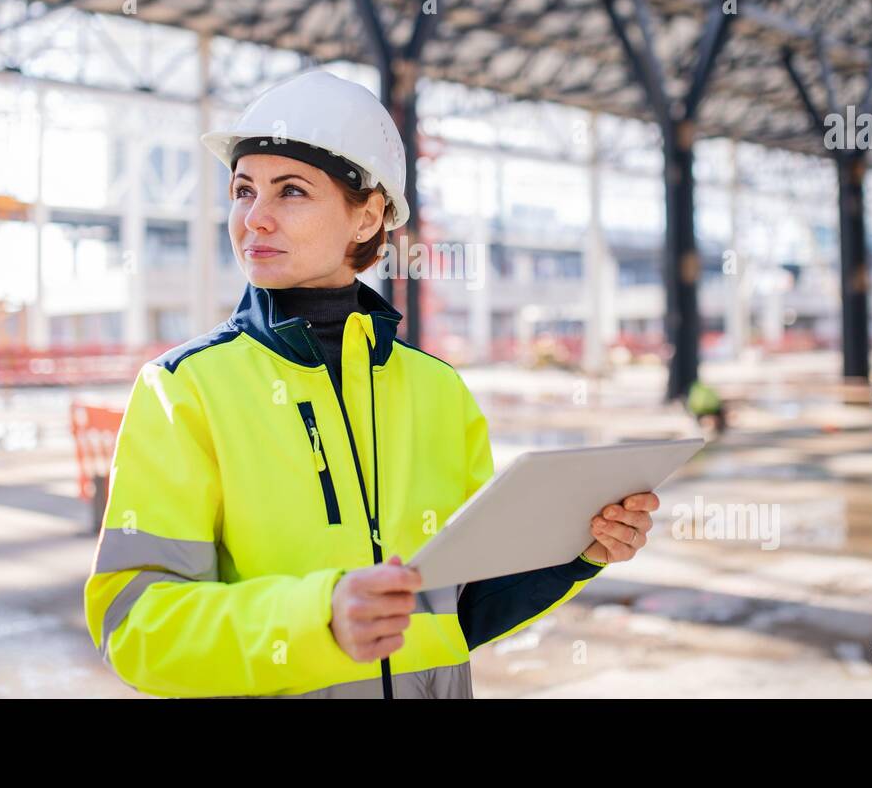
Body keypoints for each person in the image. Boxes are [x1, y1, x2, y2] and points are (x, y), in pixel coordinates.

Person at [84, 68, 660, 698]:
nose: (255, 218)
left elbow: (456, 614)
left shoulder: (438, 392)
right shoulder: (183, 390)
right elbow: (139, 628)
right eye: (244, 190)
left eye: (292, 192)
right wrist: (319, 619)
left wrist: (578, 556)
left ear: (369, 217)